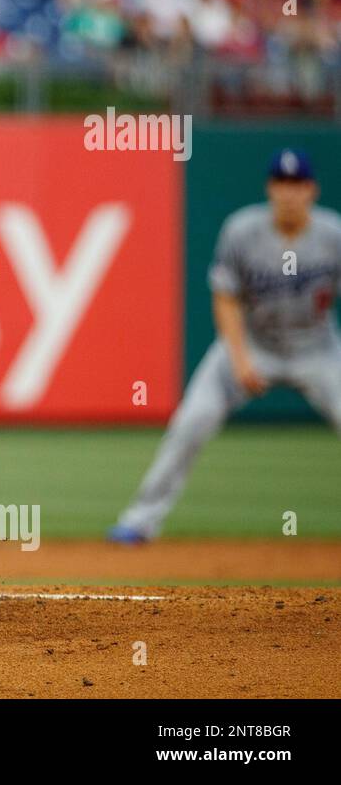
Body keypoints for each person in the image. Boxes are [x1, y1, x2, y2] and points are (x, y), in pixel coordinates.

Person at [109, 149, 341, 543]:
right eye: (281, 184)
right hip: (251, 343)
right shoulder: (242, 231)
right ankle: (139, 521)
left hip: (316, 348)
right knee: (192, 421)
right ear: (270, 188)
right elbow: (226, 297)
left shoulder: (333, 235)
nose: (289, 193)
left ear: (312, 189)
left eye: (297, 184)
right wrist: (239, 358)